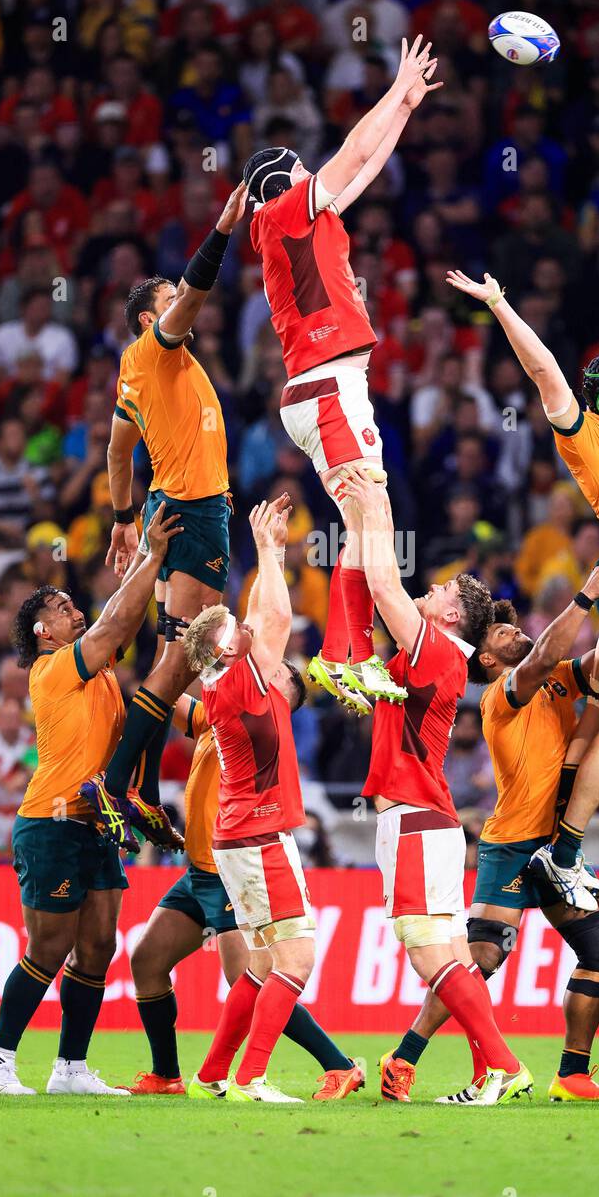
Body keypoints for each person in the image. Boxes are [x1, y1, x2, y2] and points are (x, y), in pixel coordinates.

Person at [447, 267, 599, 911]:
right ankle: (565, 853)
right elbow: (544, 371)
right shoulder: (584, 436)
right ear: (593, 402)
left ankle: (559, 829)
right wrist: (501, 304)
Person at [243, 35, 441, 716]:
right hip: (329, 389)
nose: (313, 171)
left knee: (367, 523)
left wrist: (407, 108)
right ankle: (347, 653)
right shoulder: (280, 212)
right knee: (373, 520)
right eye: (302, 166)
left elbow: (361, 172)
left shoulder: (303, 220)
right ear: (282, 182)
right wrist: (393, 88)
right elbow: (352, 153)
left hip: (326, 389)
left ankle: (346, 652)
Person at [397, 550, 599, 1105]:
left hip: (556, 847)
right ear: (486, 659)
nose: (515, 632)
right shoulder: (503, 695)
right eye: (502, 632)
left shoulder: (555, 680)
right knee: (482, 959)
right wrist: (586, 594)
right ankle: (404, 1057)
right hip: (510, 844)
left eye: (514, 625)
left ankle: (571, 1074)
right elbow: (551, 647)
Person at [0, 503, 181, 1098]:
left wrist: (152, 578)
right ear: (43, 632)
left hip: (96, 824)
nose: (72, 609)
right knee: (50, 944)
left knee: (99, 944)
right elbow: (116, 626)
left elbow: (123, 625)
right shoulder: (54, 670)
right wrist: (151, 556)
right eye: (60, 609)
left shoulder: (103, 673)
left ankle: (70, 1069)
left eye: (71, 604)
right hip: (50, 821)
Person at [339, 465, 531, 1106]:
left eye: (441, 586)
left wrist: (375, 504)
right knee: (451, 953)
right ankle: (488, 1070)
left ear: (452, 612)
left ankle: (504, 1066)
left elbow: (386, 581)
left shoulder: (436, 647)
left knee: (429, 955)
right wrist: (357, 517)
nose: (431, 588)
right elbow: (367, 585)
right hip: (431, 820)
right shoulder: (430, 652)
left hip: (416, 818)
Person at [180, 495, 364, 1103]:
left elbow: (263, 620)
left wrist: (269, 556)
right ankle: (252, 1079)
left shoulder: (229, 688)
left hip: (237, 836)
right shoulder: (244, 682)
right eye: (244, 637)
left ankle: (211, 1075)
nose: (281, 663)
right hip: (259, 836)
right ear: (231, 650)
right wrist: (269, 548)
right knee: (297, 960)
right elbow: (275, 621)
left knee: (261, 966)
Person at [84, 181, 248, 843]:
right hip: (198, 512)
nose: (178, 304)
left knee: (167, 652)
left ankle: (148, 790)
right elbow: (199, 287)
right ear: (153, 320)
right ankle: (113, 781)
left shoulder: (139, 377)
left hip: (166, 509)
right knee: (186, 660)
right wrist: (224, 228)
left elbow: (118, 451)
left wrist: (124, 520)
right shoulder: (157, 350)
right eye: (167, 302)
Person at [126, 676, 365, 1101]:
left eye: (277, 678)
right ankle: (169, 1074)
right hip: (198, 873)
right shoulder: (215, 719)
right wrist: (168, 650)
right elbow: (161, 692)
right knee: (146, 962)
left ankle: (336, 1064)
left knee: (252, 977)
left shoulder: (259, 729)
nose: (263, 677)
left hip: (229, 873)